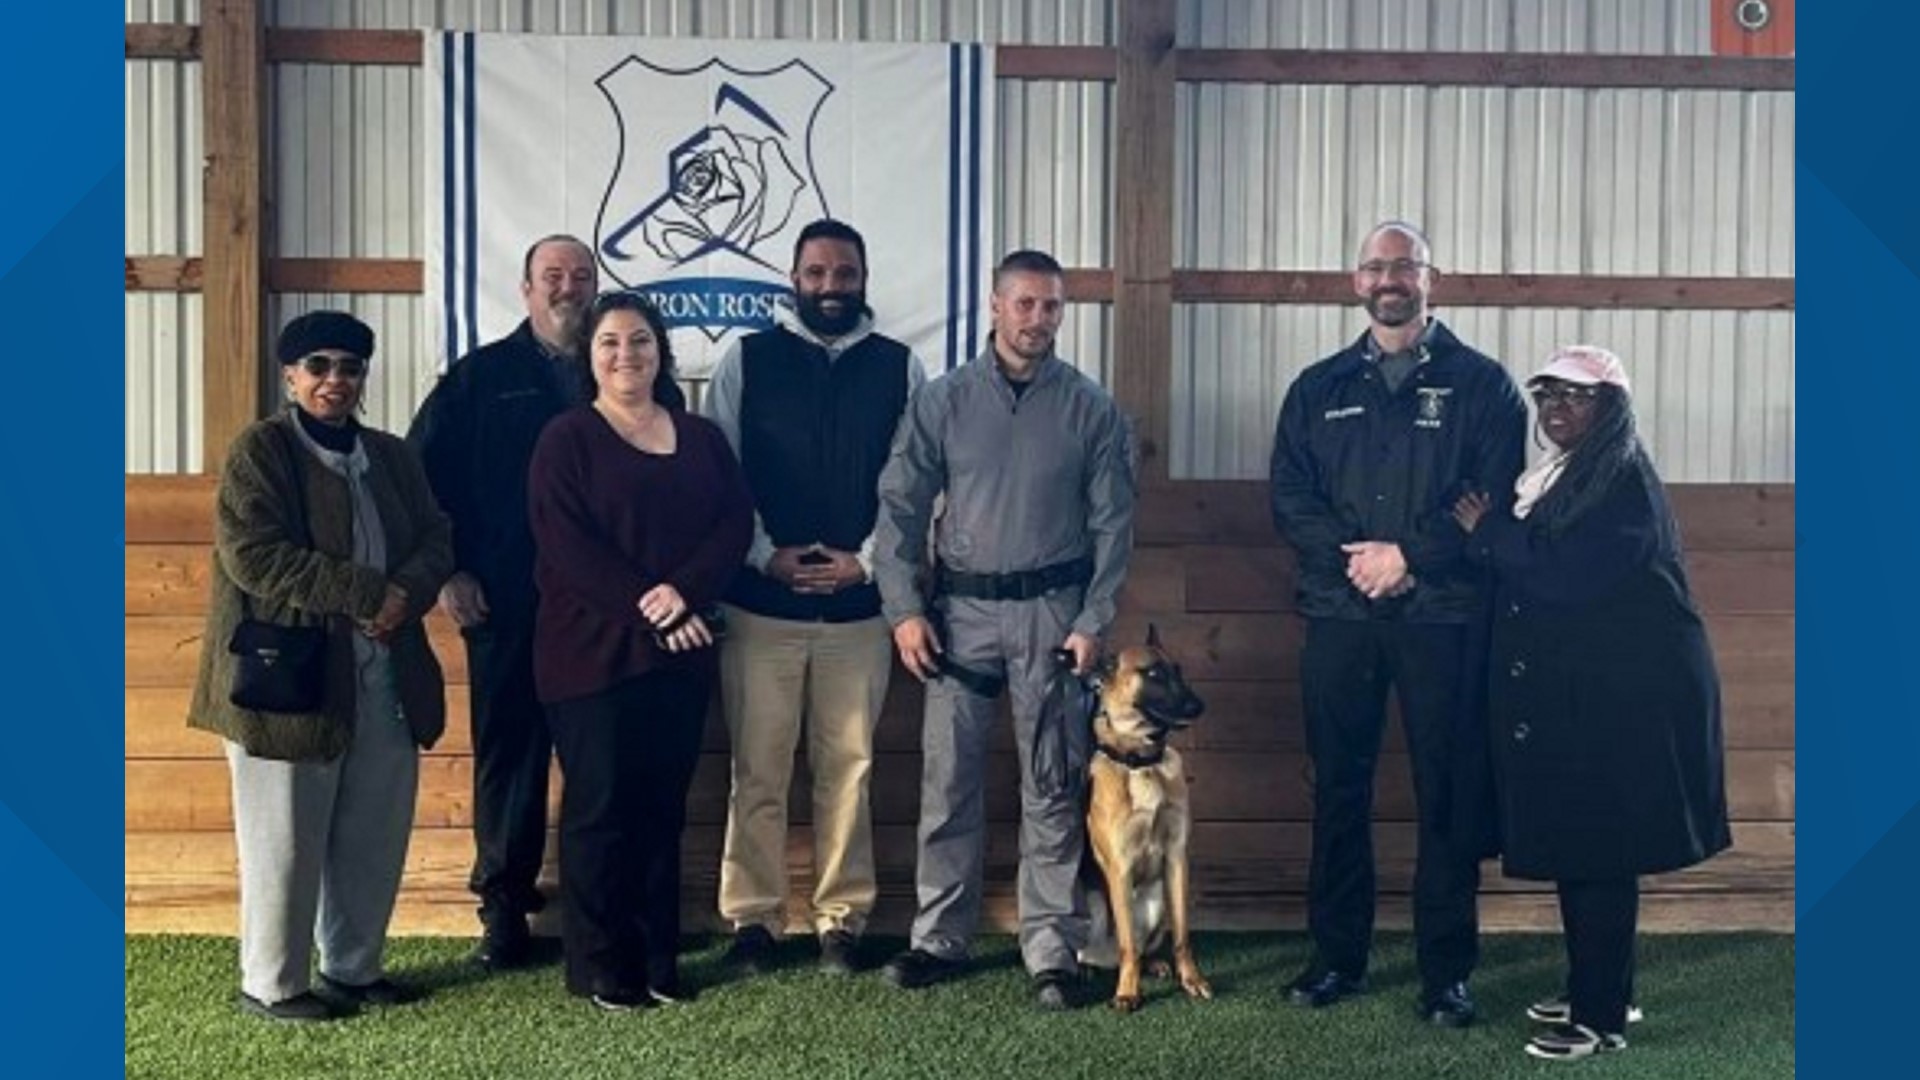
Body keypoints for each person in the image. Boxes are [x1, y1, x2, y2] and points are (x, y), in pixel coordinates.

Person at [1268, 220, 1527, 1027]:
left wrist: (1407, 560)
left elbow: (1492, 495)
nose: (1391, 279)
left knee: (1445, 796)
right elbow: (1291, 496)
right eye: (1377, 267)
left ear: (1431, 279)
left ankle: (1446, 973)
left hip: (1442, 619)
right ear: (1356, 282)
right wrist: (1360, 561)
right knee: (1337, 790)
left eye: (1405, 266)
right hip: (1340, 616)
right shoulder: (1318, 388)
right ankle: (1335, 959)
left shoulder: (1485, 387)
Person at [1450, 346, 1731, 1062]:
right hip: (1605, 692)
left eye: (1577, 397)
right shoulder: (1576, 476)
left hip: (1632, 699)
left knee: (1599, 851)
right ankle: (1600, 988)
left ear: (1611, 410)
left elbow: (1563, 578)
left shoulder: (1621, 484)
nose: (1556, 409)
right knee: (1591, 849)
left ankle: (1599, 1020)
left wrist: (1489, 534)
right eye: (1547, 396)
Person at [873, 249, 1136, 1011]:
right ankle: (939, 937)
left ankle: (1054, 947)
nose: (1037, 320)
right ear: (994, 306)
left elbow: (1115, 527)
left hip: (1054, 617)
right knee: (947, 776)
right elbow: (899, 507)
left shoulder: (1092, 409)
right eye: (1023, 304)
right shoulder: (945, 401)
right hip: (959, 617)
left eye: (1051, 307)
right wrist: (904, 609)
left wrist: (1093, 620)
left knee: (1053, 782)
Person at [407, 235, 669, 968]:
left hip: (610, 614)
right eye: (553, 276)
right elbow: (415, 479)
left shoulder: (635, 380)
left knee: (609, 762)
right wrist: (450, 573)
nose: (568, 288)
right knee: (510, 761)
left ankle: (616, 913)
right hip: (506, 604)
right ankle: (503, 912)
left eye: (582, 277)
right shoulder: (480, 379)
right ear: (526, 288)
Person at [188, 310, 453, 1021]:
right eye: (320, 367)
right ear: (290, 375)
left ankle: (353, 968)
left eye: (350, 367)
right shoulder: (260, 452)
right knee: (285, 837)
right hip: (286, 676)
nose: (336, 380)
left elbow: (436, 535)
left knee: (375, 826)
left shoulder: (393, 456)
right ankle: (272, 982)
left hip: (385, 666)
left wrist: (405, 595)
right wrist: (371, 593)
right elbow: (254, 556)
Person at [704, 219, 926, 976]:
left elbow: (916, 482)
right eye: (817, 272)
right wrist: (765, 555)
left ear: (864, 278)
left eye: (845, 273)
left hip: (860, 611)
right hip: (761, 606)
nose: (832, 286)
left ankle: (841, 919)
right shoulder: (747, 359)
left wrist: (867, 564)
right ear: (793, 278)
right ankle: (756, 920)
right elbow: (718, 470)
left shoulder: (901, 368)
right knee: (758, 768)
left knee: (849, 769)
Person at [527, 291, 753, 1011]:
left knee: (662, 808)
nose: (627, 355)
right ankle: (601, 966)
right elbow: (564, 547)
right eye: (610, 344)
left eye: (641, 342)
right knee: (600, 811)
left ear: (662, 352)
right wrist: (651, 610)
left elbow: (732, 524)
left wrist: (681, 595)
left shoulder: (702, 438)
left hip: (678, 654)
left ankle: (660, 961)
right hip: (589, 658)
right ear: (588, 356)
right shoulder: (566, 438)